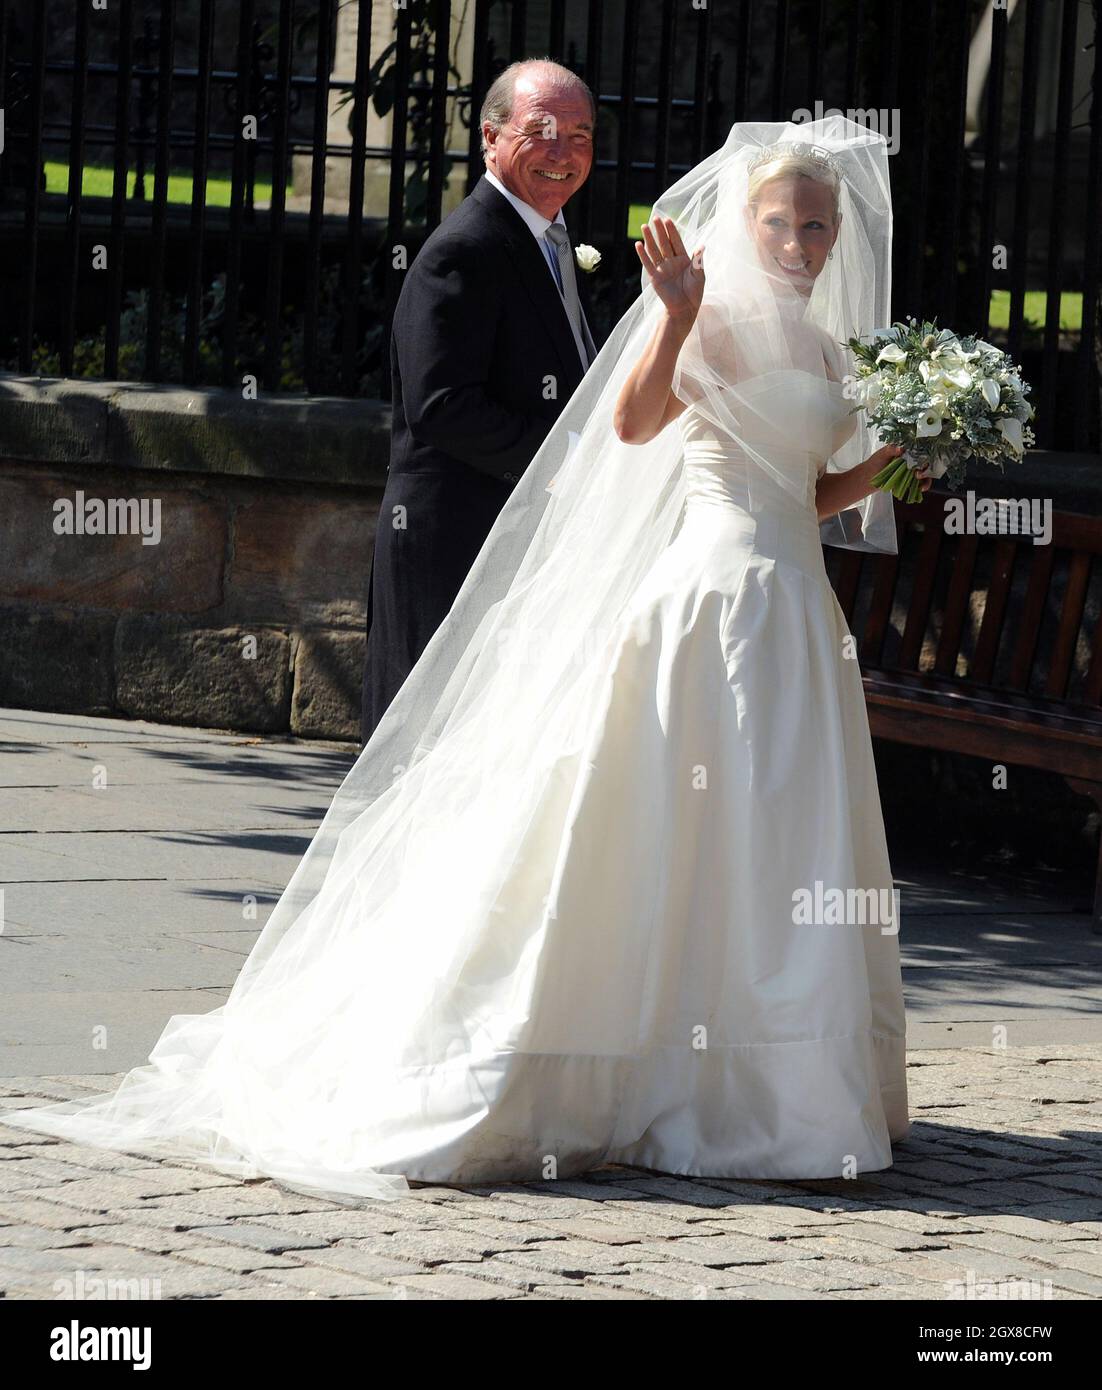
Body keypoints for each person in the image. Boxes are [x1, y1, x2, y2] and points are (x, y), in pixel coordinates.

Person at [5, 116, 922, 1202]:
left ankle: (775, 1082)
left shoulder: (825, 349)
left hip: (796, 610)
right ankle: (650, 1070)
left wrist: (892, 464)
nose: (802, 243)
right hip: (713, 597)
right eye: (782, 221)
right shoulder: (705, 315)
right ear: (745, 218)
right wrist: (671, 322)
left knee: (779, 830)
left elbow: (808, 494)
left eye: (818, 226)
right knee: (685, 822)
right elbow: (631, 428)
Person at [361, 58, 599, 745]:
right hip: (453, 543)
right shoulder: (464, 250)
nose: (563, 152)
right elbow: (442, 407)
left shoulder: (546, 243)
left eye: (580, 135)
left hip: (516, 543)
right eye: (542, 130)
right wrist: (573, 458)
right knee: (421, 756)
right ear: (490, 137)